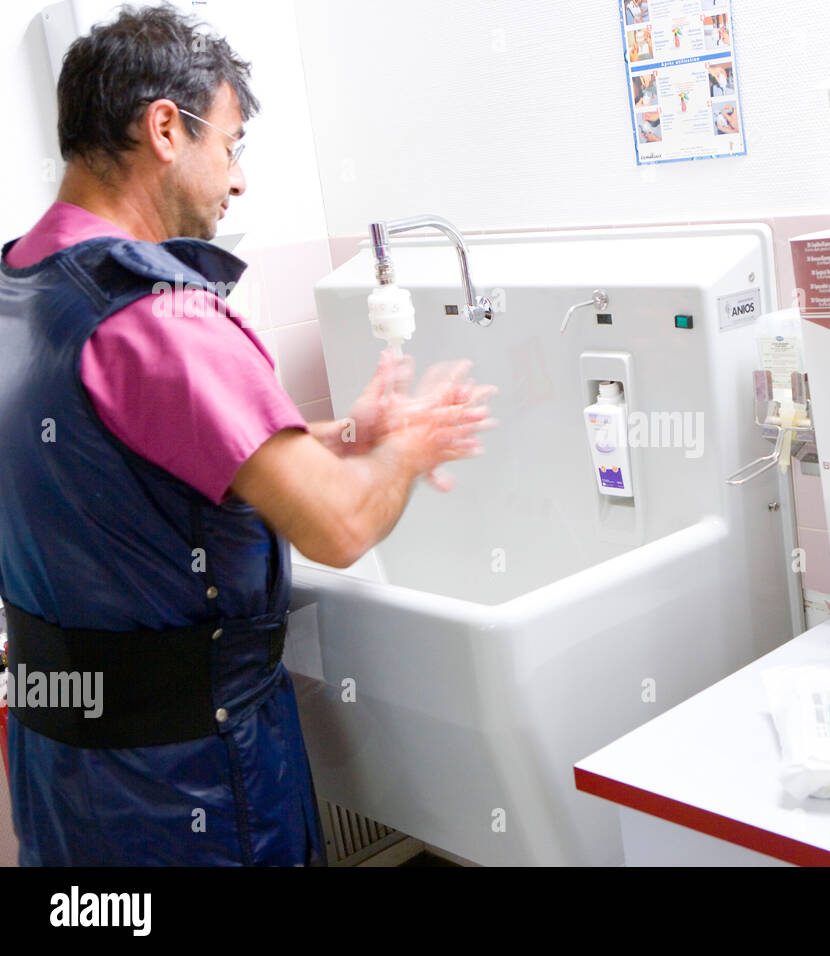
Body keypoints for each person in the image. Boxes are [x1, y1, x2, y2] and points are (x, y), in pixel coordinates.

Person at [0, 5, 495, 865]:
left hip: (60, 774)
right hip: (188, 788)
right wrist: (406, 447)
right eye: (229, 145)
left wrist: (330, 437)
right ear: (165, 128)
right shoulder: (160, 318)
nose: (236, 181)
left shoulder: (20, 288)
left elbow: (116, 452)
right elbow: (339, 529)